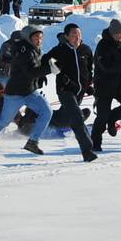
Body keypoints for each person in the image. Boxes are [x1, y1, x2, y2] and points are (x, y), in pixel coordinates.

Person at [0, 25, 57, 159]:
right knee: (4, 120)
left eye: (40, 37)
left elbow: (35, 68)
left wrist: (45, 68)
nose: (39, 40)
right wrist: (49, 69)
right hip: (15, 94)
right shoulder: (24, 51)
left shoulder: (34, 49)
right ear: (28, 37)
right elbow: (30, 72)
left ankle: (33, 142)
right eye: (36, 37)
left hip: (30, 91)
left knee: (47, 111)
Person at [43, 24, 98, 162]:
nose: (77, 37)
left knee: (64, 119)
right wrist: (58, 71)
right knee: (77, 118)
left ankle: (49, 118)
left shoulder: (86, 50)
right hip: (65, 90)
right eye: (73, 34)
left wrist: (88, 85)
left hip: (79, 92)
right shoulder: (60, 50)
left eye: (79, 34)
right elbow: (45, 61)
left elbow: (89, 70)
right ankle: (87, 149)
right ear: (67, 36)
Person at [91, 18, 121, 150]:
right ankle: (95, 144)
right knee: (102, 116)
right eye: (119, 34)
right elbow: (106, 67)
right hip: (104, 84)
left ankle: (111, 120)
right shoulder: (103, 45)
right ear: (112, 33)